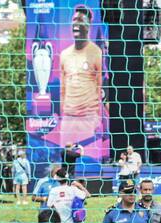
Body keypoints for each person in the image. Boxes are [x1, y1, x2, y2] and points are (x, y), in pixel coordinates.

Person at [56, 6, 104, 147]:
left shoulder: (96, 52)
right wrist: (61, 117)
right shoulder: (64, 54)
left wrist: (98, 118)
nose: (76, 23)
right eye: (74, 20)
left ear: (88, 25)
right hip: (68, 119)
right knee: (65, 158)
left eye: (81, 20)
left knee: (88, 161)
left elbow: (102, 88)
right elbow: (62, 89)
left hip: (88, 118)